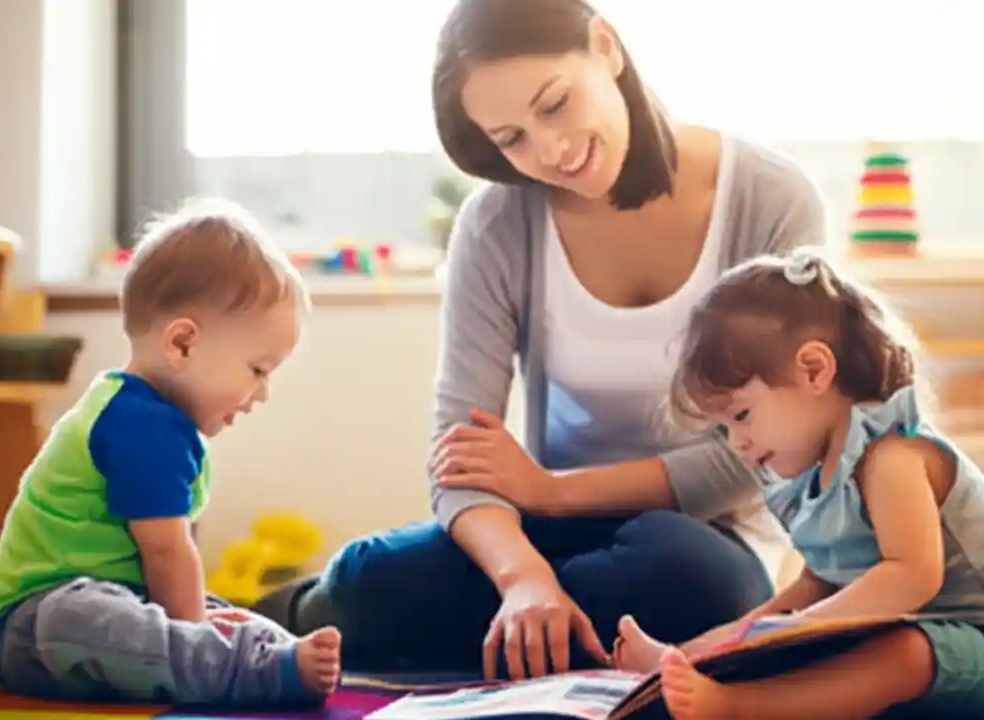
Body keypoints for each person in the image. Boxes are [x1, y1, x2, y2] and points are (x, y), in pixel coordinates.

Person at [252, 0, 825, 680]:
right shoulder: (497, 226)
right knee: (365, 584)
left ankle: (477, 636)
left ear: (605, 48)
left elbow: (754, 457)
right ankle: (316, 613)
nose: (548, 151)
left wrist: (552, 491)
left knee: (696, 587)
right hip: (541, 533)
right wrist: (523, 579)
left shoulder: (770, 198)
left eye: (554, 105)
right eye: (511, 139)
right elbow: (462, 457)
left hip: (708, 538)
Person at [612, 251, 984, 719]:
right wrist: (727, 641)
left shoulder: (890, 456)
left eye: (741, 416)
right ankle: (679, 660)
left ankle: (740, 708)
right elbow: (820, 581)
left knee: (902, 652)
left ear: (814, 371)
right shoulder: (813, 472)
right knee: (785, 636)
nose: (738, 443)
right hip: (922, 635)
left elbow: (913, 574)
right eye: (725, 428)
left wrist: (804, 625)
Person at [0, 199, 342, 707]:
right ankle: (254, 669)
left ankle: (263, 651)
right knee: (101, 617)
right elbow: (167, 554)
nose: (262, 394)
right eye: (258, 370)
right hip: (33, 625)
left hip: (117, 600)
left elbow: (171, 578)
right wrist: (195, 631)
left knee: (223, 612)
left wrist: (207, 619)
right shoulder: (137, 424)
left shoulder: (158, 421)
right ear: (183, 345)